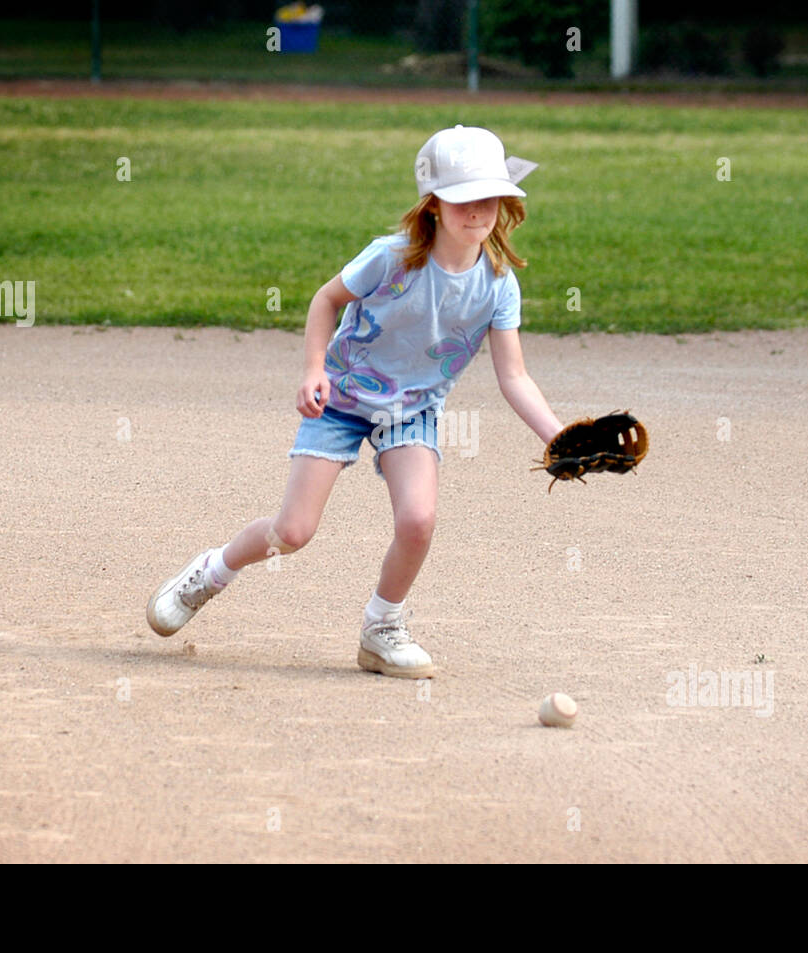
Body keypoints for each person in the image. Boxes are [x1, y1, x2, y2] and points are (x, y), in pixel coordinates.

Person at [146, 125, 564, 678]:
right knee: (292, 533)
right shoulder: (392, 259)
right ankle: (212, 571)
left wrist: (558, 437)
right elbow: (326, 300)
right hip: (341, 399)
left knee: (418, 519)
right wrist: (313, 368)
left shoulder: (498, 283)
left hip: (410, 411)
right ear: (434, 204)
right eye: (463, 198)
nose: (477, 210)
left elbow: (514, 377)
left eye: (490, 197)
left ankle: (381, 629)